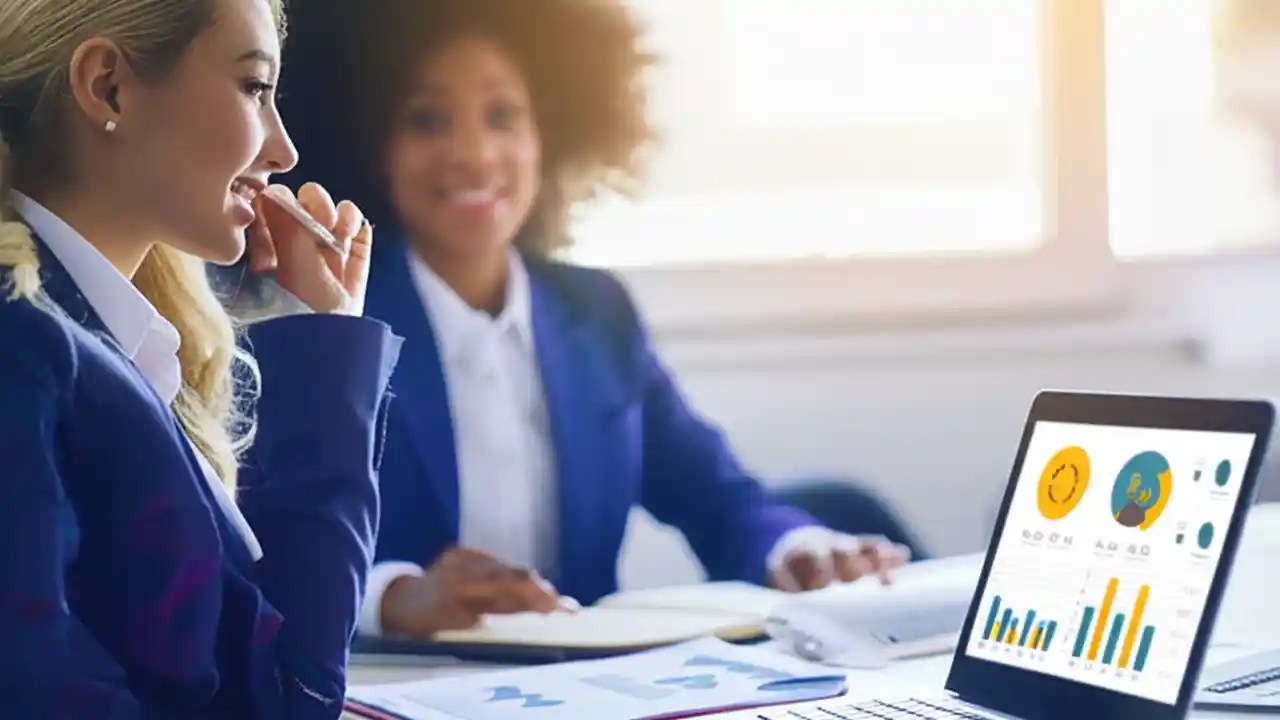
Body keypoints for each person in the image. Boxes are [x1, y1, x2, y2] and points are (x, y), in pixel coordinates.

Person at [277, 0, 916, 642]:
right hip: (394, 688)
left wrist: (797, 548)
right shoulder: (335, 324)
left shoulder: (596, 312)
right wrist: (394, 598)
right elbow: (275, 545)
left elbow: (715, 496)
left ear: (551, 131)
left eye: (503, 116)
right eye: (427, 121)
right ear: (371, 142)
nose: (472, 154)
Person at [0, 0, 403, 716]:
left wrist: (326, 328)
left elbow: (282, 688)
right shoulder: (23, 349)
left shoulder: (112, 342)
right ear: (107, 87)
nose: (283, 152)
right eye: (254, 88)